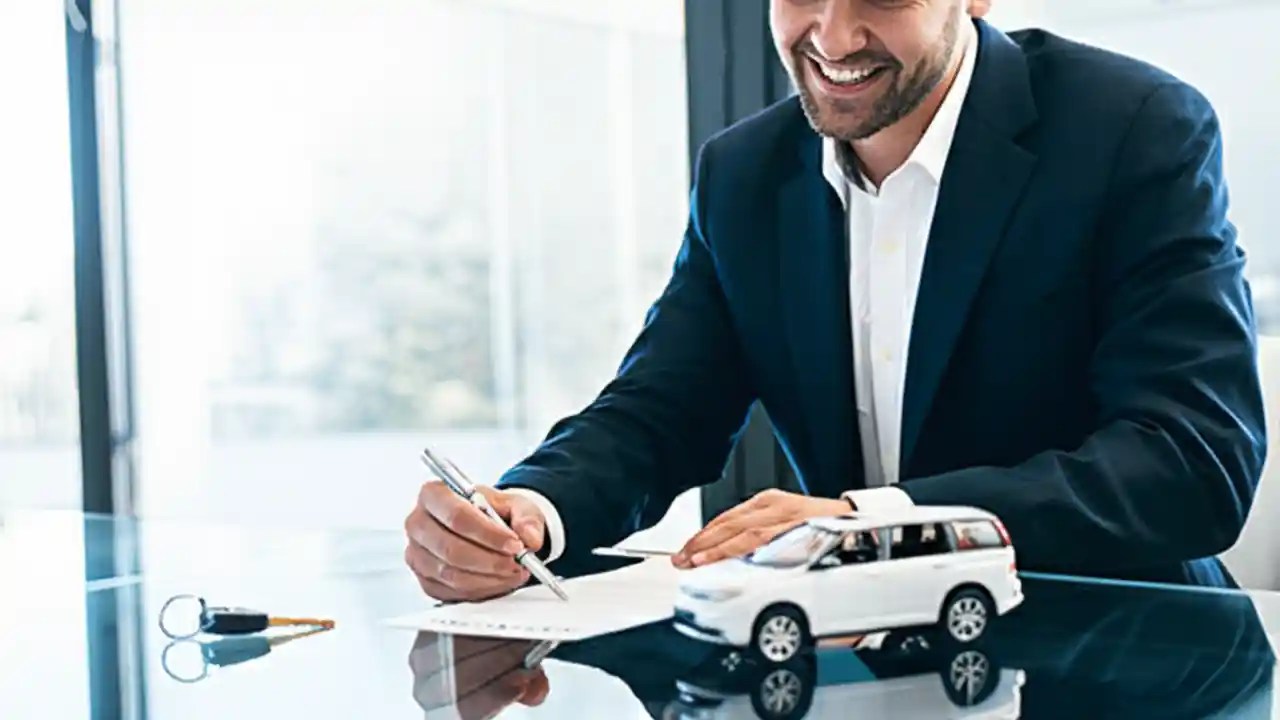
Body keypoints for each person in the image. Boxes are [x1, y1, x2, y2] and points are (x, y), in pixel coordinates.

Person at [404, 0, 1266, 601]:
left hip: (1122, 656)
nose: (834, 32)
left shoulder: (1135, 126)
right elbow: (659, 412)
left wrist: (869, 524)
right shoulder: (744, 173)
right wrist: (530, 514)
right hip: (853, 663)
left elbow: (1193, 463)